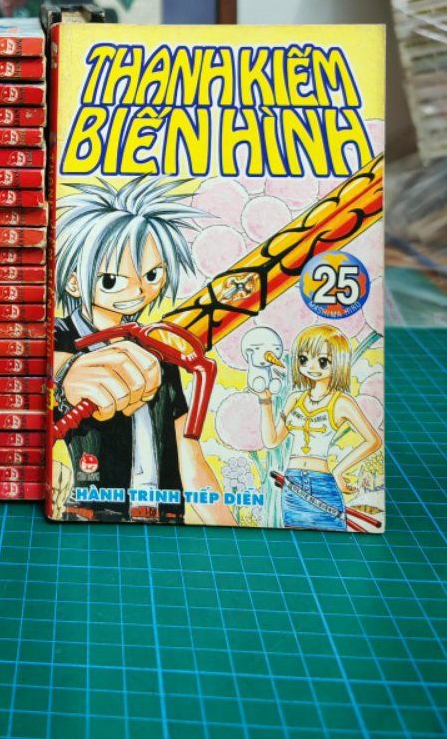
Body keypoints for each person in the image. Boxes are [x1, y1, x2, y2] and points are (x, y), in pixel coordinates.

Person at [52, 177, 233, 525]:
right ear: (74, 280)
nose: (137, 292)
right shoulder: (60, 336)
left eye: (151, 276)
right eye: (112, 280)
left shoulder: (159, 351)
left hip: (163, 513)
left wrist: (228, 529)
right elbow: (41, 366)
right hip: (92, 510)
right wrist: (66, 375)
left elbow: (188, 452)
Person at [258, 325, 382, 531]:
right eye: (304, 359)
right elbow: (271, 441)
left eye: (323, 361)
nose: (311, 367)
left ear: (339, 362)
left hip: (323, 484)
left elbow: (373, 440)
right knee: (294, 539)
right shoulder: (295, 398)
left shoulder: (341, 402)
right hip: (292, 484)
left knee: (332, 538)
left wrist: (339, 470)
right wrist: (265, 401)